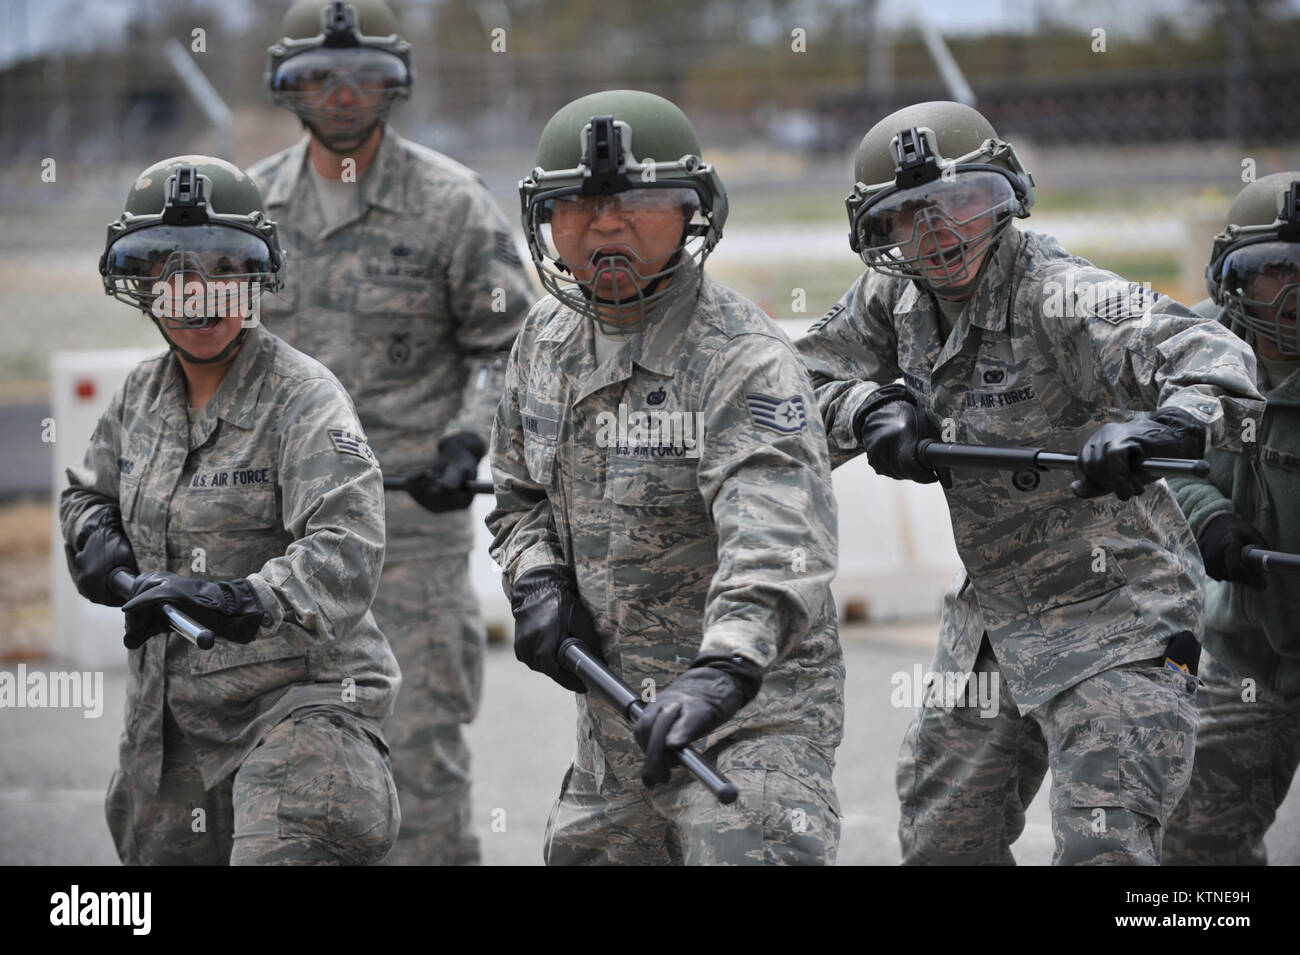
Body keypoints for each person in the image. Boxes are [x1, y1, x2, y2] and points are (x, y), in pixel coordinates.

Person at [795, 101, 1265, 865]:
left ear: (1005, 198)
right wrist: (867, 406)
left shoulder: (1060, 294)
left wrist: (1162, 426)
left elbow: (1204, 350)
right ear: (878, 237)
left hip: (1120, 617)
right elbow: (790, 388)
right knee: (945, 842)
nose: (940, 233)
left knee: (1103, 844)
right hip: (994, 621)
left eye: (961, 203)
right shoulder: (893, 299)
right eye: (909, 216)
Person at [487, 89, 845, 866]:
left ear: (693, 212)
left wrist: (722, 669)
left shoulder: (742, 360)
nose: (605, 223)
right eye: (577, 203)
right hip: (614, 732)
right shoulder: (541, 344)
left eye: (638, 200)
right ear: (545, 219)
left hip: (750, 721)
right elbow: (517, 497)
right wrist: (538, 578)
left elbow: (775, 538)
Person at [248, 0, 533, 865]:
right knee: (264, 757)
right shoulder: (252, 208)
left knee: (415, 752)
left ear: (396, 83)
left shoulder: (449, 204)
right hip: (272, 535)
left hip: (405, 532)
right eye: (317, 78)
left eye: (364, 76)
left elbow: (511, 345)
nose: (342, 96)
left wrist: (466, 440)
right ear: (286, 87)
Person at [62, 155, 400, 865]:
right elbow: (88, 489)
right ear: (145, 283)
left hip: (298, 708)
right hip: (169, 727)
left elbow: (348, 547)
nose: (199, 293)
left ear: (256, 277)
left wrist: (241, 597)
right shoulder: (138, 398)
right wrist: (90, 529)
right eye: (171, 269)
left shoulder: (303, 398)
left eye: (224, 266)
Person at [1162, 171, 1300, 865]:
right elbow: (1154, 456)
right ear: (1233, 278)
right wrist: (1208, 517)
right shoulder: (1194, 351)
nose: (1295, 292)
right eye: (1274, 269)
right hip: (1244, 650)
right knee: (1190, 848)